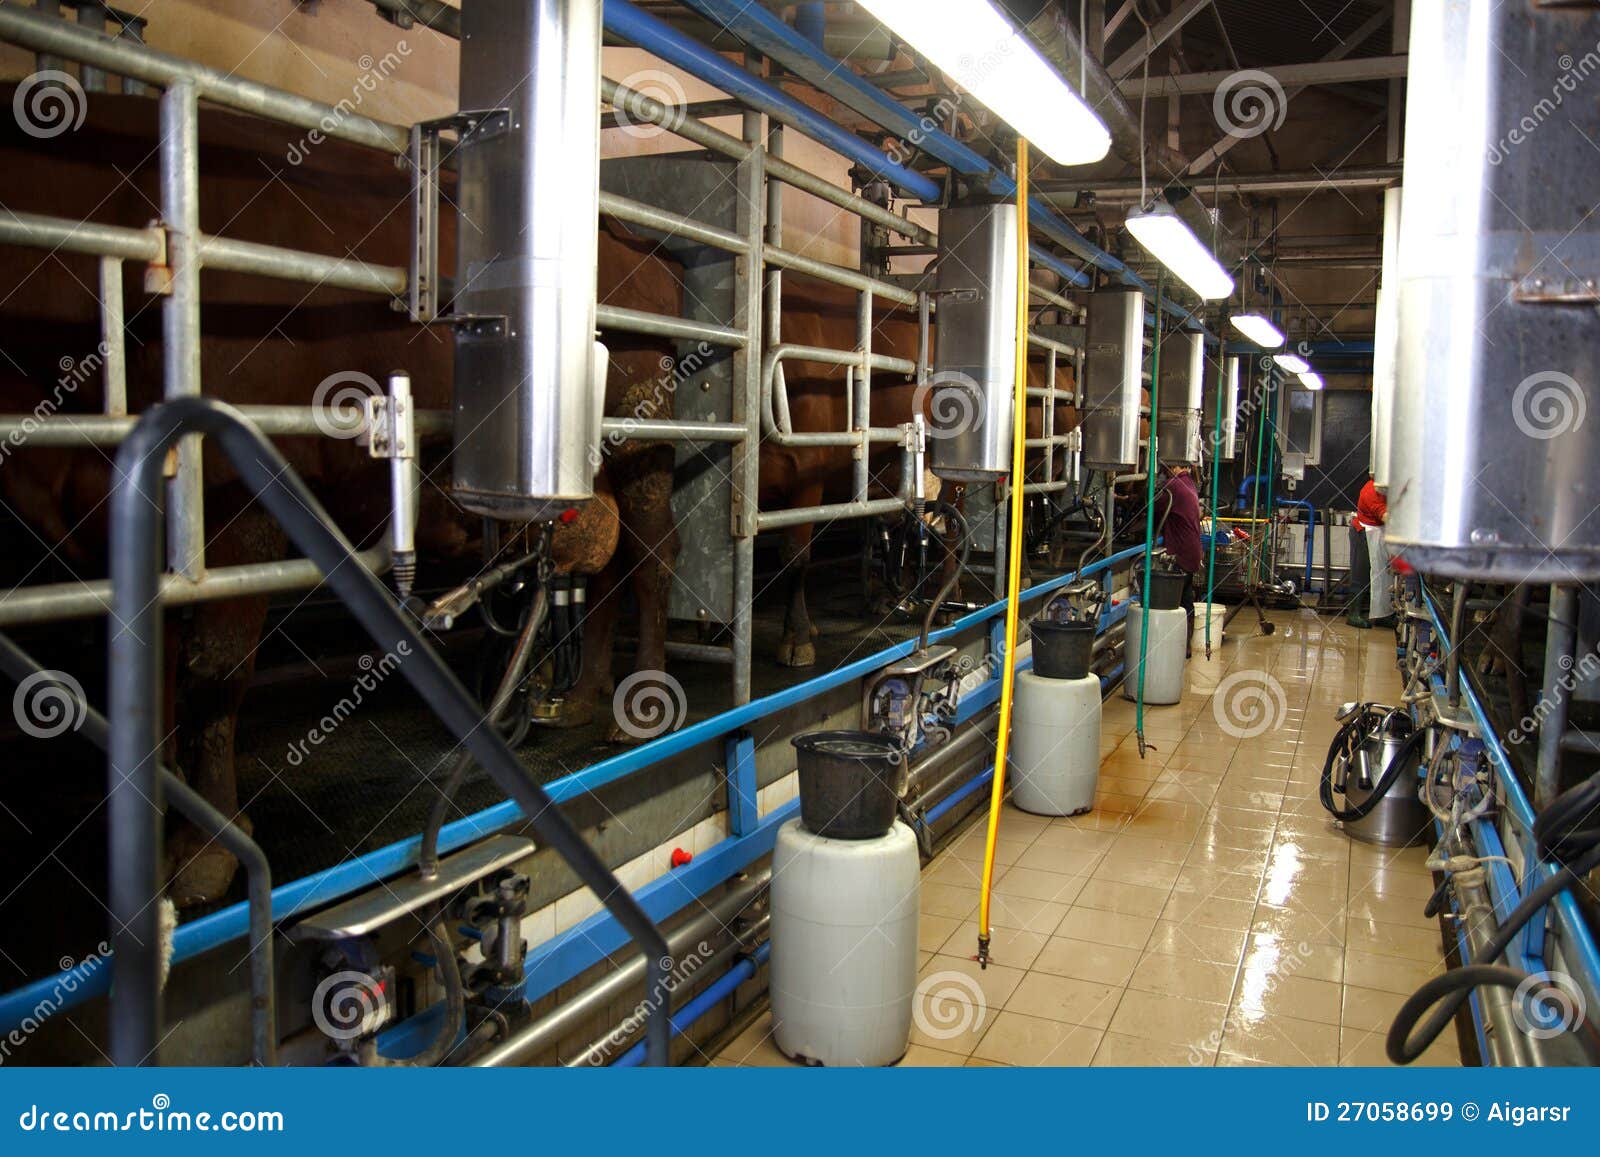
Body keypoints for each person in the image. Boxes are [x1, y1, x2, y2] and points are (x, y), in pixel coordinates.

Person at [1156, 462, 1203, 657]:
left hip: (1180, 553)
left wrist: (1124, 499)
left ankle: (1175, 647)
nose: (1164, 472)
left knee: (1173, 603)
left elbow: (1153, 508)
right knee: (1186, 601)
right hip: (1191, 551)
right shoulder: (1189, 483)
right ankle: (1185, 647)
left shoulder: (1174, 486)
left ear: (1174, 466)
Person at [1348, 477, 1394, 628]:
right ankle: (1353, 614)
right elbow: (1383, 514)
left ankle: (1382, 614)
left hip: (1379, 532)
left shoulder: (1389, 487)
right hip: (1363, 532)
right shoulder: (1370, 491)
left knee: (1383, 575)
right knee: (1361, 574)